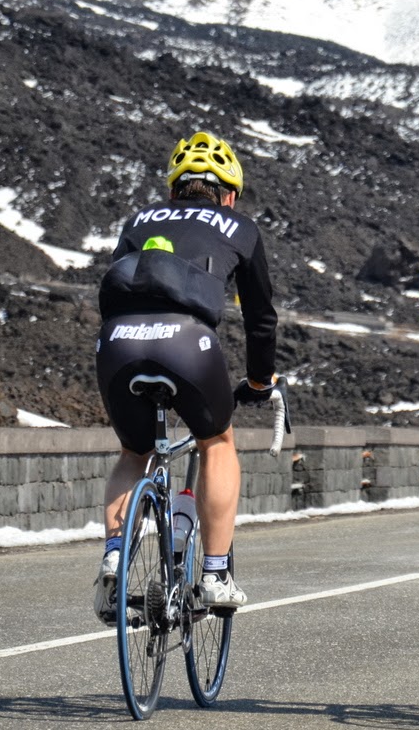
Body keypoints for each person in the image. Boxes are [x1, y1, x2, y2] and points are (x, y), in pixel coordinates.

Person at [92, 131, 280, 623]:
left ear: (174, 189)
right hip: (187, 344)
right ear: (229, 194)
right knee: (217, 441)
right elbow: (261, 319)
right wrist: (260, 381)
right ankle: (215, 574)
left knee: (135, 453)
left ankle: (114, 559)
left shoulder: (138, 220)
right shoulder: (239, 225)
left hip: (119, 344)